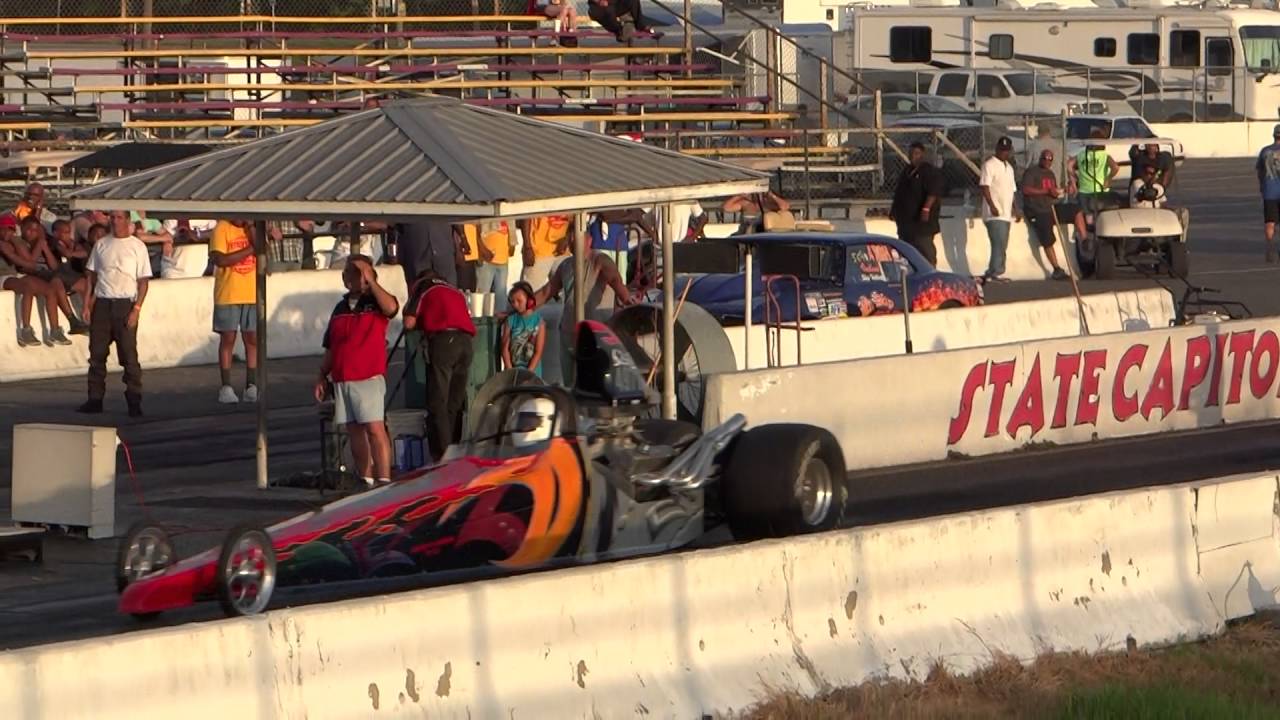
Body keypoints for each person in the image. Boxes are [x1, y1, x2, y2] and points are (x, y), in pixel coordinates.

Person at [315, 255, 400, 487]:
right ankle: (365, 477)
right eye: (348, 273)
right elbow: (331, 346)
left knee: (374, 428)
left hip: (368, 377)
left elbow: (392, 308)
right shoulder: (339, 309)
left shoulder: (376, 304)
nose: (350, 277)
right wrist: (322, 375)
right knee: (354, 431)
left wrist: (370, 281)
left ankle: (383, 478)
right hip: (343, 378)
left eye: (356, 273)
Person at [79, 210, 152, 417]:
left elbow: (143, 282)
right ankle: (95, 399)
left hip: (125, 303)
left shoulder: (137, 246)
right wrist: (87, 305)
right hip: (102, 303)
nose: (115, 221)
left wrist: (136, 309)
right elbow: (91, 277)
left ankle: (134, 400)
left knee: (129, 355)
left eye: (120, 217)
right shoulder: (102, 244)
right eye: (113, 217)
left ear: (128, 220)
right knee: (97, 355)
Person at [404, 269, 476, 460]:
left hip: (444, 341)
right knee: (454, 401)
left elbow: (408, 322)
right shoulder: (454, 290)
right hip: (466, 343)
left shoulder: (424, 287)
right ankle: (456, 448)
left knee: (438, 401)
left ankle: (443, 455)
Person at [532, 249, 634, 385]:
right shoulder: (565, 265)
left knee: (592, 384)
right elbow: (546, 292)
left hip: (594, 335)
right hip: (568, 333)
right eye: (571, 235)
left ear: (589, 239)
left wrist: (628, 300)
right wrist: (522, 307)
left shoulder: (601, 260)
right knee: (570, 384)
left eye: (578, 234)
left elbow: (615, 279)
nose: (574, 238)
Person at [7, 217, 87, 342]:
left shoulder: (45, 243)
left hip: (50, 274)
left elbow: (54, 266)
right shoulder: (21, 244)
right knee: (56, 281)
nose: (32, 233)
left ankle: (83, 321)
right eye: (28, 230)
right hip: (36, 275)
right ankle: (71, 321)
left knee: (79, 283)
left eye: (35, 230)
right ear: (21, 229)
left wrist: (44, 248)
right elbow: (31, 264)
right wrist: (39, 246)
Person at [209, 219, 259, 404]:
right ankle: (226, 386)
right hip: (228, 293)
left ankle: (251, 385)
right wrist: (251, 249)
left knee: (252, 339)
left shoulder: (252, 229)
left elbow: (264, 252)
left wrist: (252, 230)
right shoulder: (222, 229)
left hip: (251, 293)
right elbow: (222, 260)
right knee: (228, 338)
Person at [0, 214, 59, 347]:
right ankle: (25, 330)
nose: (7, 232)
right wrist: (12, 250)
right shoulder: (3, 245)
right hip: (2, 277)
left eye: (10, 229)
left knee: (49, 289)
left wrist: (16, 242)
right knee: (28, 286)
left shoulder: (14, 242)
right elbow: (29, 264)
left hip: (13, 276)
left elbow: (29, 261)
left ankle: (55, 330)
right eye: (3, 229)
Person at [890, 142, 945, 266]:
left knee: (925, 250)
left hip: (922, 224)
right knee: (906, 251)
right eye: (911, 154)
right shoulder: (907, 171)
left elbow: (933, 191)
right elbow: (899, 192)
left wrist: (926, 208)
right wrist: (894, 210)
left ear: (922, 155)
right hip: (906, 223)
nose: (913, 156)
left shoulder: (928, 171)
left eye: (916, 153)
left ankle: (930, 272)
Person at [1020, 149, 1070, 281]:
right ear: (1040, 159)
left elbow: (1053, 192)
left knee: (1074, 210)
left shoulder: (1050, 174)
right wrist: (1045, 191)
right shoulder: (1032, 172)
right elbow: (1026, 189)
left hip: (1048, 207)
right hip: (1035, 209)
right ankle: (1056, 269)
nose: (1047, 162)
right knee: (1047, 237)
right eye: (1045, 159)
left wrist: (1062, 191)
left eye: (1050, 160)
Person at [979, 136, 1021, 284]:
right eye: (1001, 150)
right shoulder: (989, 165)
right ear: (997, 149)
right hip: (994, 213)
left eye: (1006, 151)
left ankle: (994, 271)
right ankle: (995, 271)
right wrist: (992, 206)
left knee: (1003, 243)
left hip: (1006, 212)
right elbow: (985, 187)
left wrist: (1016, 208)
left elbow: (1012, 190)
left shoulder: (1009, 168)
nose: (1004, 153)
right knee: (998, 242)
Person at [1067, 128, 1119, 242]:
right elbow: (1115, 167)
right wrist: (1108, 179)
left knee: (1088, 216)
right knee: (1102, 214)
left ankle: (1088, 238)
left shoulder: (1081, 155)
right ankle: (1102, 238)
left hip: (1084, 190)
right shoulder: (1104, 155)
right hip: (1100, 190)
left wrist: (1074, 179)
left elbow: (1069, 165)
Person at [396, 220, 459, 289]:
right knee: (419, 287)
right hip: (417, 247)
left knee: (449, 287)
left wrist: (459, 243)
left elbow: (457, 217)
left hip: (443, 246)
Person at [501, 281, 546, 377]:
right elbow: (505, 348)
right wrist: (510, 372)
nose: (515, 305)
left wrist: (528, 373)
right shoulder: (510, 320)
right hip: (513, 370)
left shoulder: (539, 322)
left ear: (529, 300)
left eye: (519, 301)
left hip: (532, 372)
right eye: (513, 302)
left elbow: (538, 352)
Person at [520, 214, 572, 289]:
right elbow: (526, 216)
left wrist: (567, 239)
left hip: (562, 252)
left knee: (564, 292)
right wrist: (527, 247)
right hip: (538, 251)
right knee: (529, 292)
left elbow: (574, 219)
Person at [1257, 124, 1280, 263]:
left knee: (1270, 222)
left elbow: (1260, 171)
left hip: (1269, 192)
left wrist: (1262, 186)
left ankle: (1270, 244)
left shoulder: (1264, 151)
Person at [475, 220, 513, 296]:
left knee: (501, 299)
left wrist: (512, 243)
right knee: (482, 298)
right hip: (486, 258)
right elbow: (475, 226)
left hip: (503, 258)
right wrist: (482, 249)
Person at [724, 192, 791, 235]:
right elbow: (726, 208)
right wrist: (739, 196)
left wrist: (772, 196)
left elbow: (784, 207)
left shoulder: (767, 205)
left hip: (761, 232)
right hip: (744, 232)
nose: (755, 195)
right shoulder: (745, 204)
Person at [587, 0, 652, 43]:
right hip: (598, 7)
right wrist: (599, 1)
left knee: (633, 1)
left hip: (613, 4)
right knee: (609, 11)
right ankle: (619, 31)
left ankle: (640, 26)